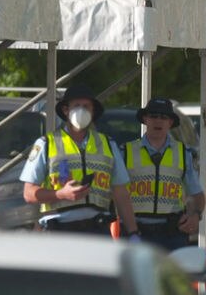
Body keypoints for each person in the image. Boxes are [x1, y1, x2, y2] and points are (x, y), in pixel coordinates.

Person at [21, 84, 140, 237]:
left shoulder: (108, 144)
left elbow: (121, 194)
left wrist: (133, 232)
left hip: (98, 229)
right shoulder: (46, 143)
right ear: (66, 110)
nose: (81, 110)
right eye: (77, 105)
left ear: (93, 111)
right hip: (58, 230)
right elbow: (28, 193)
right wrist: (60, 194)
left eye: (86, 106)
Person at [122, 98, 205, 250]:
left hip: (172, 233)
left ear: (170, 123)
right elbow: (114, 194)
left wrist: (195, 215)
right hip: (136, 232)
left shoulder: (183, 153)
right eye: (153, 116)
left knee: (171, 275)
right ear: (145, 119)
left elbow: (197, 195)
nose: (158, 121)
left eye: (163, 117)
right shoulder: (126, 152)